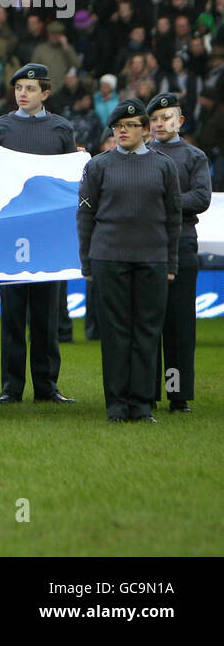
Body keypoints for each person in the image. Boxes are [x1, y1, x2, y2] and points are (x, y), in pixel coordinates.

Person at [78, 99, 181, 423]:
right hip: (108, 257)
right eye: (117, 126)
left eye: (130, 125)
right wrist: (87, 263)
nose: (122, 130)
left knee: (147, 332)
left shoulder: (164, 166)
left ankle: (141, 404)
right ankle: (117, 405)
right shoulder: (98, 166)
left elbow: (173, 218)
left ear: (146, 130)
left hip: (152, 259)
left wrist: (171, 263)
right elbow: (85, 216)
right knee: (115, 333)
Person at [0, 63, 77, 405]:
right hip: (12, 231)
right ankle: (11, 387)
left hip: (47, 235)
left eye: (30, 88)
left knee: (46, 315)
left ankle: (47, 386)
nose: (23, 93)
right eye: (19, 87)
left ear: (45, 94)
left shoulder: (61, 129)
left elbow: (69, 184)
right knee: (12, 314)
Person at [147, 92, 207, 412]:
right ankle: (149, 392)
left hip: (182, 242)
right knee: (148, 322)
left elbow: (202, 197)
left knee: (178, 324)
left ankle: (177, 393)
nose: (160, 123)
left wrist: (163, 203)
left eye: (166, 117)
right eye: (154, 119)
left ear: (180, 121)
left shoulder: (194, 156)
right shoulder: (139, 155)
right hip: (145, 245)